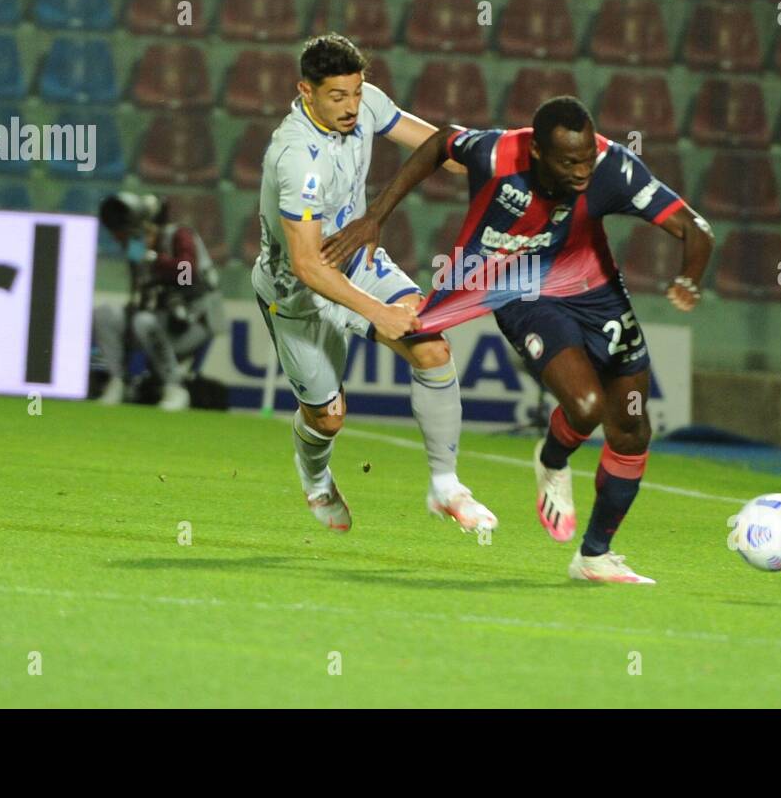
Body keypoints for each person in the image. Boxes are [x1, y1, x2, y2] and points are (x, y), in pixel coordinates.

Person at [323, 96, 714, 583]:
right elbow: (442, 139)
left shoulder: (615, 167)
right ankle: (552, 462)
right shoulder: (495, 153)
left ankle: (594, 556)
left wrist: (690, 278)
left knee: (632, 428)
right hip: (520, 291)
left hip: (596, 294)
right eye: (569, 162)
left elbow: (695, 229)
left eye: (587, 158)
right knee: (587, 406)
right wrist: (377, 213)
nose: (582, 171)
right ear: (538, 155)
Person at [252, 33, 496, 534]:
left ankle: (446, 486)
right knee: (327, 419)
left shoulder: (366, 105)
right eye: (337, 96)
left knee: (431, 347)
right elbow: (306, 264)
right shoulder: (296, 158)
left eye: (357, 92)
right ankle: (316, 479)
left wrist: (497, 159)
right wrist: (379, 313)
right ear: (305, 91)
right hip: (300, 293)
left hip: (357, 262)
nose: (351, 106)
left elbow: (440, 149)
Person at [93, 192, 226, 412]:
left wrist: (157, 260)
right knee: (105, 314)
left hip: (193, 321)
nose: (124, 238)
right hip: (157, 321)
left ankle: (175, 388)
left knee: (143, 321)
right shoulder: (136, 247)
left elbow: (186, 275)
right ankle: (118, 382)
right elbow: (139, 289)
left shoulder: (179, 235)